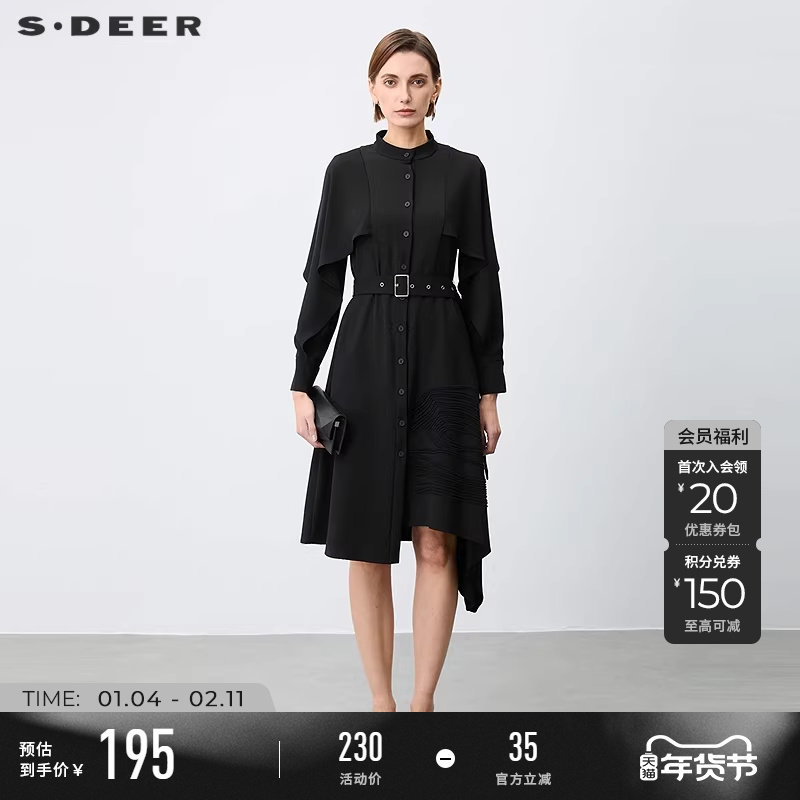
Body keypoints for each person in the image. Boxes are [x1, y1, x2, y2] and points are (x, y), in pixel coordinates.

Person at [290, 28, 506, 712]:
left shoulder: (465, 172)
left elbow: (482, 278)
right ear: (372, 89)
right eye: (391, 81)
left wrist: (489, 391)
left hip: (445, 364)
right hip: (364, 366)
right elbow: (324, 279)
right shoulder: (345, 171)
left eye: (417, 81)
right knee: (368, 544)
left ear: (436, 89)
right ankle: (382, 704)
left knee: (438, 539)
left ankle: (422, 704)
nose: (404, 95)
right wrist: (302, 380)